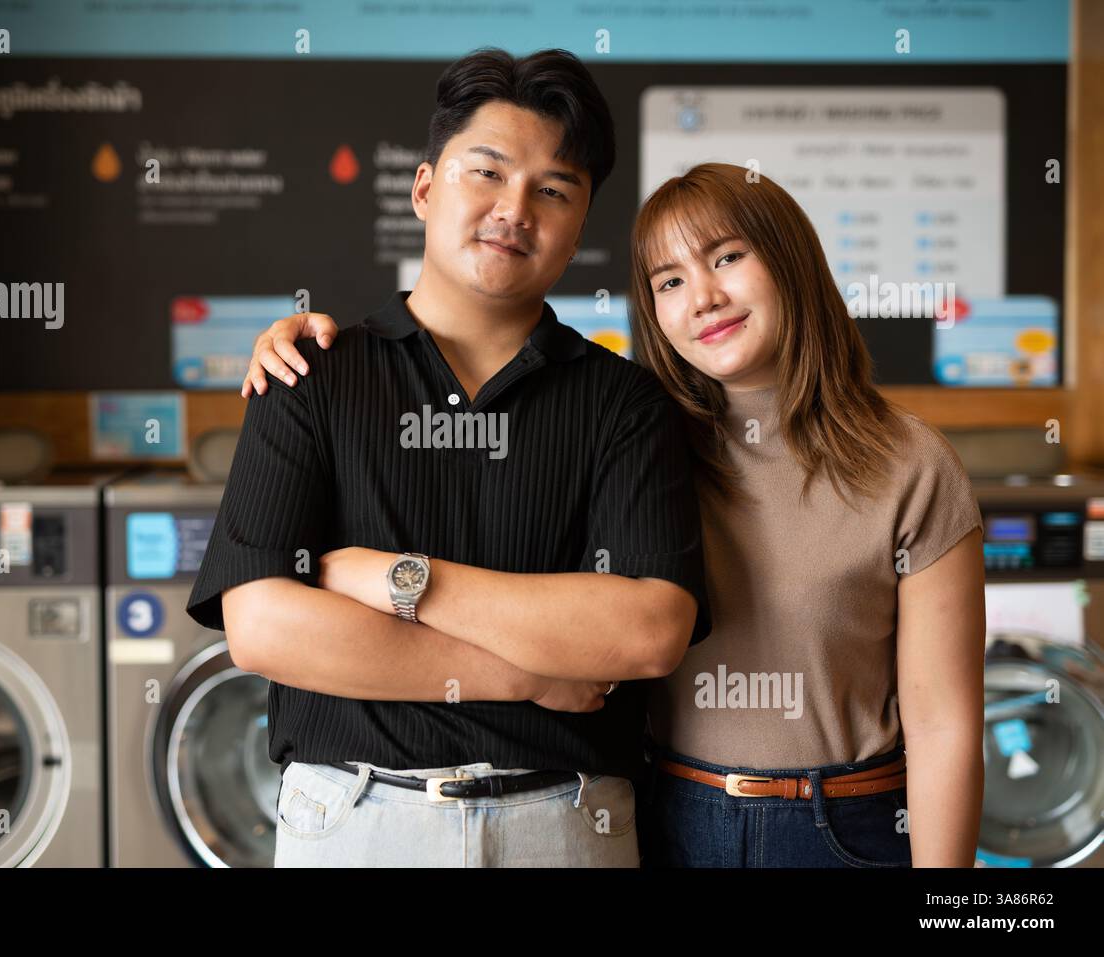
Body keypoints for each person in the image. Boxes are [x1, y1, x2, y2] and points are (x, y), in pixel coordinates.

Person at [241, 163, 987, 868]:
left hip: (847, 824)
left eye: (727, 258)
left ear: (791, 261)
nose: (703, 297)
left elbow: (944, 724)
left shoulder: (909, 463)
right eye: (670, 279)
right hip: (666, 815)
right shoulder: (643, 438)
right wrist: (296, 339)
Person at [186, 47, 711, 868]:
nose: (515, 208)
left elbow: (645, 631)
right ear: (425, 188)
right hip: (355, 819)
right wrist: (530, 675)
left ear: (578, 230)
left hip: (564, 823)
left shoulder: (625, 405)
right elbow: (264, 627)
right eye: (489, 173)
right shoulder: (308, 375)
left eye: (554, 190)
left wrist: (387, 575)